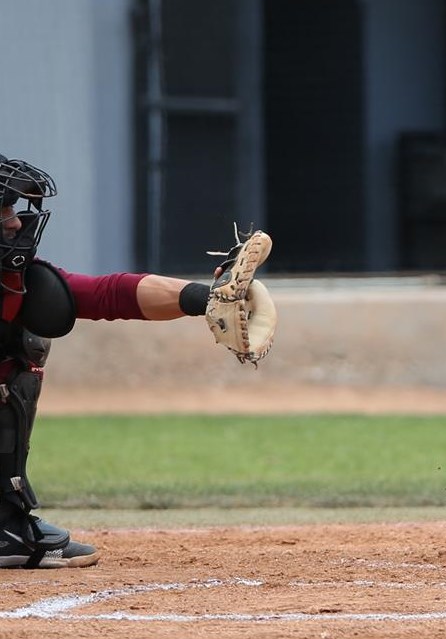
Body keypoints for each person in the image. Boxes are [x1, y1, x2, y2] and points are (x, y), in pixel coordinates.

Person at [0, 155, 274, 568]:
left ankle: (6, 525)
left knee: (25, 347)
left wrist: (205, 298)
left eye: (11, 209)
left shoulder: (13, 279)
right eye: (1, 211)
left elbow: (106, 294)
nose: (14, 222)